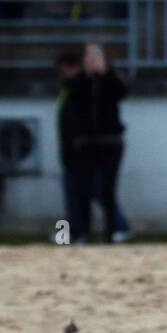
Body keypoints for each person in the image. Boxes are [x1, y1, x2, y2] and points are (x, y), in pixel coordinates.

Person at [68, 43, 131, 244]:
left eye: (96, 57)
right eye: (89, 57)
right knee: (84, 189)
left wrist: (105, 73)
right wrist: (86, 75)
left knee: (107, 189)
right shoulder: (78, 81)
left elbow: (122, 92)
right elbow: (73, 95)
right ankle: (83, 233)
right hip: (86, 143)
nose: (93, 61)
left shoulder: (112, 78)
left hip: (110, 142)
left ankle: (110, 233)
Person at [55, 51, 85, 235]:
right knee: (73, 192)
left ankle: (72, 231)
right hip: (70, 149)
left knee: (92, 191)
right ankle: (71, 232)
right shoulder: (67, 89)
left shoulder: (78, 89)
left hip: (78, 150)